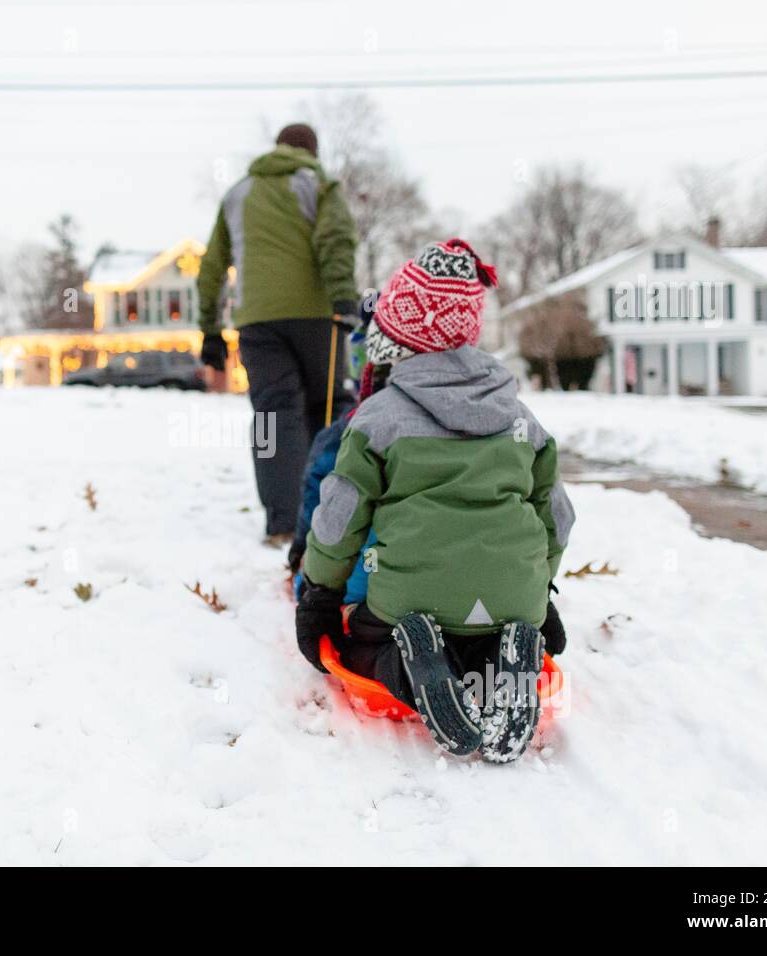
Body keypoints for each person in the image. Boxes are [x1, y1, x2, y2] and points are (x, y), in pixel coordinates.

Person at [293, 239, 574, 763]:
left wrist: (322, 595)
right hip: (511, 600)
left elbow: (338, 518)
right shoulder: (520, 418)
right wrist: (541, 588)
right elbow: (557, 516)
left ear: (400, 342)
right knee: (480, 639)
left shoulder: (380, 420)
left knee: (360, 646)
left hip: (409, 604)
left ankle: (405, 665)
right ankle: (509, 659)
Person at [195, 123, 359, 545]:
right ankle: (332, 518)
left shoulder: (238, 192)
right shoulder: (320, 183)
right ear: (312, 151)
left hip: (257, 322)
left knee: (271, 415)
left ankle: (283, 524)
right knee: (327, 409)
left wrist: (211, 332)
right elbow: (336, 239)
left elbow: (211, 266)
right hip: (316, 318)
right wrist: (344, 297)